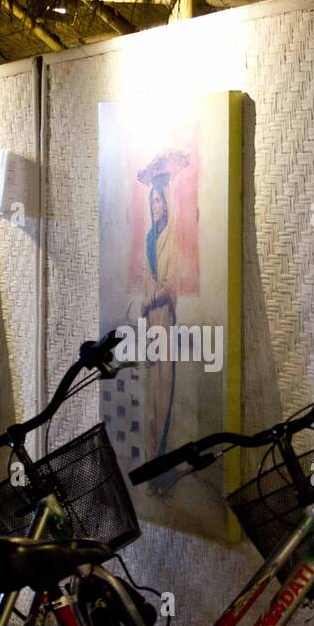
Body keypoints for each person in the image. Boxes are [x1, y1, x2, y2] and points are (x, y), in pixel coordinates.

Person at [135, 150, 189, 485]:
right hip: (149, 325)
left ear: (167, 203)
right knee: (148, 388)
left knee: (163, 389)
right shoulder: (149, 240)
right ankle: (149, 463)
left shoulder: (172, 237)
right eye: (152, 200)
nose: (156, 206)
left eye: (160, 200)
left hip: (164, 322)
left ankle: (161, 468)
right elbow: (146, 280)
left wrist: (151, 299)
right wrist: (143, 303)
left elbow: (170, 286)